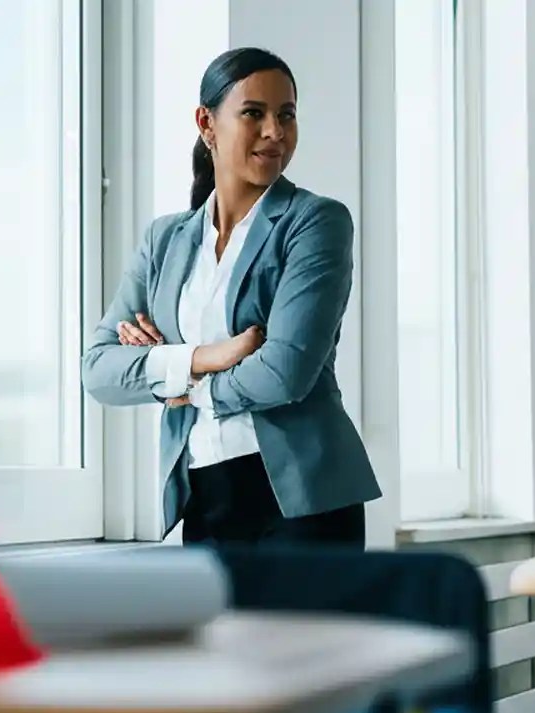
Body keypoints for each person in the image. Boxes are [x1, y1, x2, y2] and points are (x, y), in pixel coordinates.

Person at [81, 47, 380, 548]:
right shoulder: (164, 240)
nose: (275, 131)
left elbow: (285, 372)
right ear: (207, 124)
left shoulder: (315, 222)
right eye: (254, 113)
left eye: (286, 115)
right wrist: (207, 357)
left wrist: (177, 377)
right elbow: (98, 371)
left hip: (305, 500)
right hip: (204, 498)